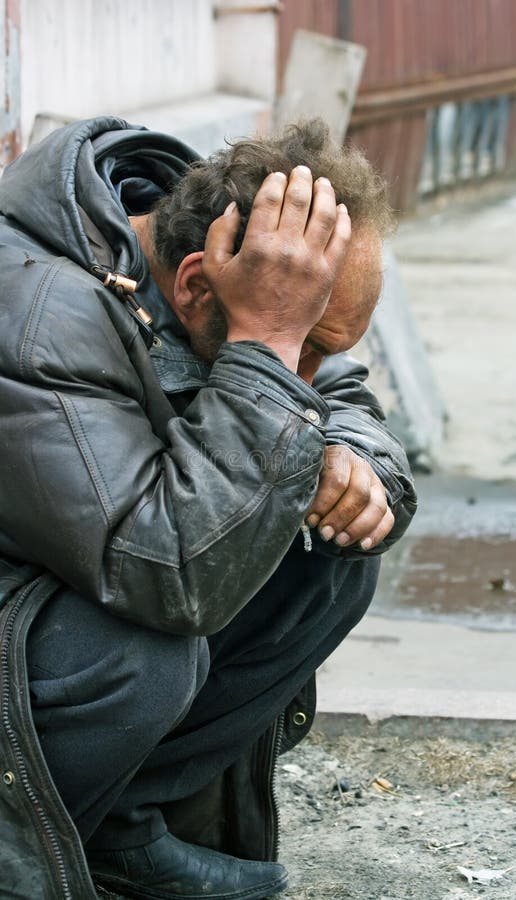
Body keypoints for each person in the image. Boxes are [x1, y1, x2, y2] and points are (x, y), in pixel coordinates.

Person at [0, 116, 417, 899]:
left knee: (327, 563)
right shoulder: (31, 315)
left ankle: (116, 832)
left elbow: (342, 396)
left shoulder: (220, 261)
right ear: (195, 284)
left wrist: (357, 463)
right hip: (44, 605)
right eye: (307, 342)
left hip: (64, 586)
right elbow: (169, 573)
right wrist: (266, 347)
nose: (315, 365)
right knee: (145, 652)